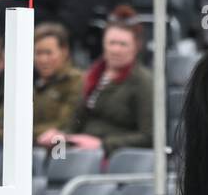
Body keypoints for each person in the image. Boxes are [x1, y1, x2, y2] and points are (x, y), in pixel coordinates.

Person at [37, 11, 153, 155]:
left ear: (136, 47)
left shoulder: (143, 82)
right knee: (54, 153)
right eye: (112, 43)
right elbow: (75, 124)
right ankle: (50, 173)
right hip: (81, 147)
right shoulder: (92, 75)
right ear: (104, 44)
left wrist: (102, 144)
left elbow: (150, 137)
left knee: (68, 163)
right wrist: (60, 135)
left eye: (123, 44)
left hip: (113, 154)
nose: (116, 49)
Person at [32, 23, 84, 140]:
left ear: (64, 51)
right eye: (38, 53)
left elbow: (65, 123)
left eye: (48, 53)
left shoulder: (77, 82)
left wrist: (22, 133)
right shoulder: (29, 84)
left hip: (59, 149)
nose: (43, 59)